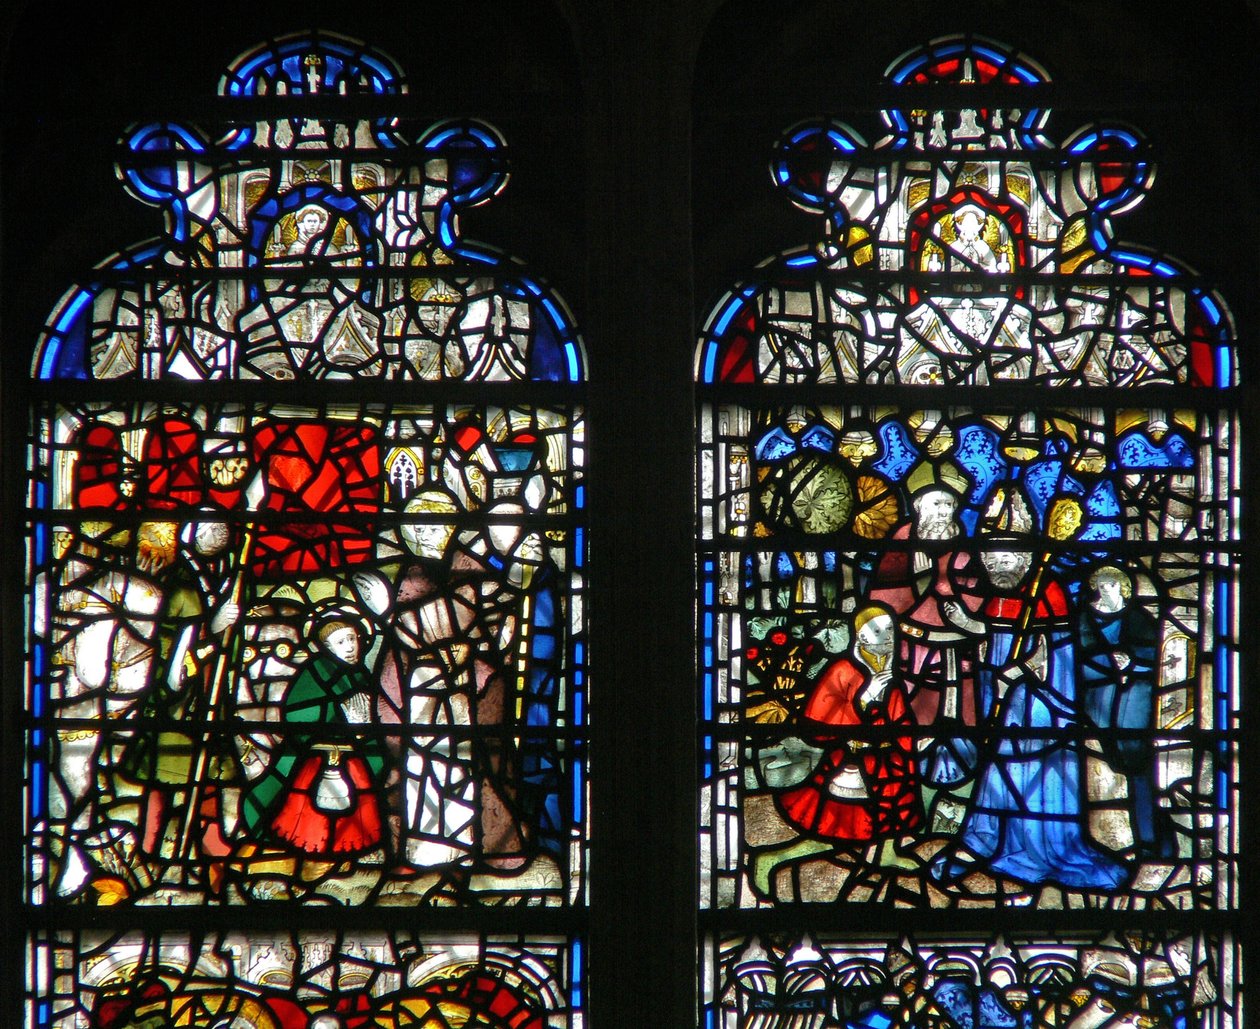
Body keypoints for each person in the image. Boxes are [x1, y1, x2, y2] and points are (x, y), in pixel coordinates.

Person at [932, 511, 1128, 889]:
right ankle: (982, 839)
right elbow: (995, 636)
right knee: (997, 772)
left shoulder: (1047, 591)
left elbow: (1054, 656)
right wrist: (968, 626)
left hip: (1040, 712)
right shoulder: (1001, 597)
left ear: (1025, 558)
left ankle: (1040, 846)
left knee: (1033, 776)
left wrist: (1017, 675)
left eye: (1004, 559)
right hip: (1004, 704)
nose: (995, 567)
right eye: (990, 561)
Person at [869, 461, 984, 791]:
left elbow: (977, 593)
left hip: (958, 643)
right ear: (919, 505)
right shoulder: (903, 540)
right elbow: (883, 597)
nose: (943, 511)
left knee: (961, 709)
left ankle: (959, 770)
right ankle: (910, 766)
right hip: (912, 645)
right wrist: (921, 578)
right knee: (913, 709)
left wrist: (963, 612)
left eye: (949, 505)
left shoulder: (963, 543)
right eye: (937, 503)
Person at [776, 604, 924, 855]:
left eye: (890, 628)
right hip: (850, 754)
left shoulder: (890, 675)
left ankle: (886, 852)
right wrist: (866, 695)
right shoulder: (842, 669)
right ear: (861, 635)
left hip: (886, 757)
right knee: (841, 817)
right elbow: (818, 721)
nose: (887, 634)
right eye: (878, 629)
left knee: (895, 802)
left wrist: (914, 741)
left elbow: (901, 721)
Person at [242, 607, 386, 856]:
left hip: (355, 752)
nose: (350, 646)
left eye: (352, 639)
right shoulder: (316, 670)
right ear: (326, 647)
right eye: (341, 642)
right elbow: (295, 712)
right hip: (315, 752)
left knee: (364, 800)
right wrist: (336, 711)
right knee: (302, 807)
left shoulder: (362, 675)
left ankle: (356, 847)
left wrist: (364, 728)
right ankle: (307, 846)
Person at [1077, 565, 1176, 859]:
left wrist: (1130, 663)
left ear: (1124, 588)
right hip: (1097, 690)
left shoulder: (1138, 617)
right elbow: (1082, 651)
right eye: (1101, 585)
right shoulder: (1084, 617)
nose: (1105, 590)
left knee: (1136, 755)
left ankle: (1148, 836)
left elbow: (1151, 657)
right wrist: (1109, 661)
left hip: (1137, 690)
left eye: (1111, 584)